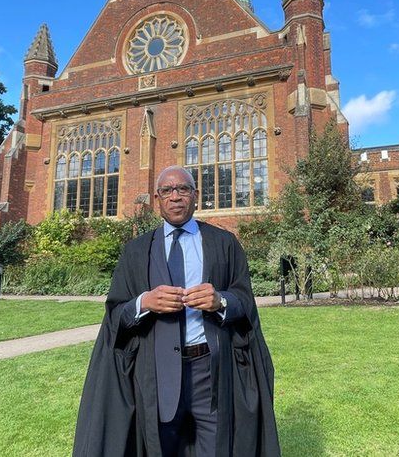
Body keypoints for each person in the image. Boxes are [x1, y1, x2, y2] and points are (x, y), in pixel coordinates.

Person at [73, 166, 279, 457]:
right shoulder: (136, 251)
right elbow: (115, 315)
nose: (175, 197)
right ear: (157, 200)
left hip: (211, 371)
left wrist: (220, 301)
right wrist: (144, 302)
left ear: (195, 196)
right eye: (167, 191)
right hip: (157, 375)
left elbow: (244, 301)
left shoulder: (224, 244)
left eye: (183, 189)